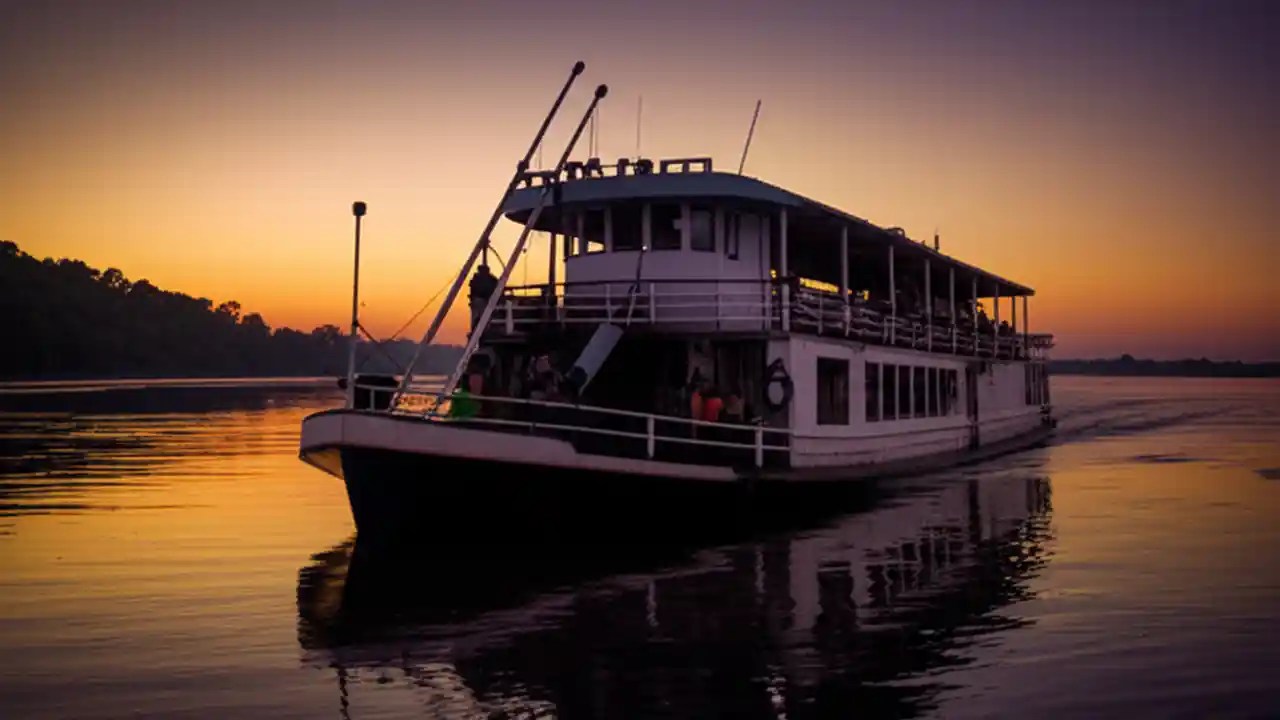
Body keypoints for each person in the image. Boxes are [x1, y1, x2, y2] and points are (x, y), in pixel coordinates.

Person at [468, 262, 499, 332]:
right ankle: (483, 329)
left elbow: (472, 288)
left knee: (480, 317)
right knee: (483, 317)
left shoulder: (477, 278)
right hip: (483, 301)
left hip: (481, 300)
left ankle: (478, 330)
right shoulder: (490, 279)